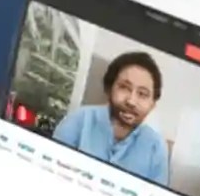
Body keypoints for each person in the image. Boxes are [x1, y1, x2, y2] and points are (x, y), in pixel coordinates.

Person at [53, 51, 170, 185]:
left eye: (142, 94)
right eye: (124, 88)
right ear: (109, 88)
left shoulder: (156, 147)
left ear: (152, 104)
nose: (131, 101)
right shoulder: (79, 120)